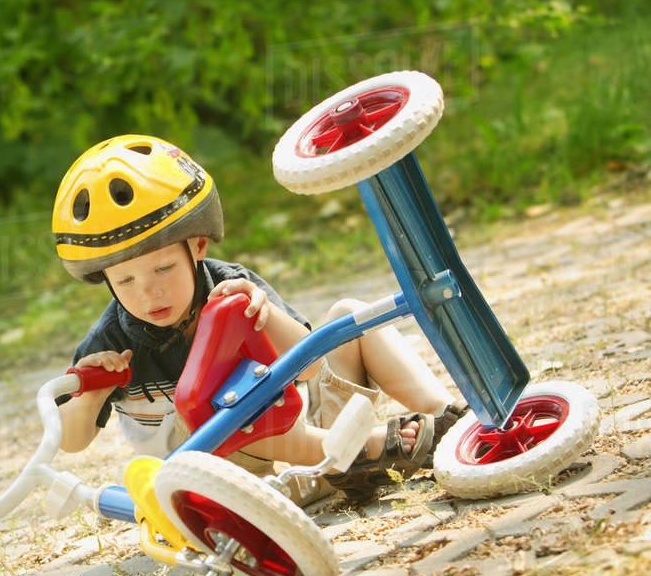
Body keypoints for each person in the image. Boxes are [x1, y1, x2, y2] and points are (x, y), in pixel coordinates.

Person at [52, 135, 467, 504]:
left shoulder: (232, 287)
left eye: (163, 269)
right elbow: (71, 442)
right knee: (212, 406)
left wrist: (263, 315)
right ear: (103, 279)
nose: (149, 292)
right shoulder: (110, 342)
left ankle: (449, 421)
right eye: (125, 280)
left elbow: (312, 367)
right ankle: (366, 449)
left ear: (196, 246)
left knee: (348, 316)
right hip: (238, 488)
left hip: (311, 441)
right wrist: (89, 396)